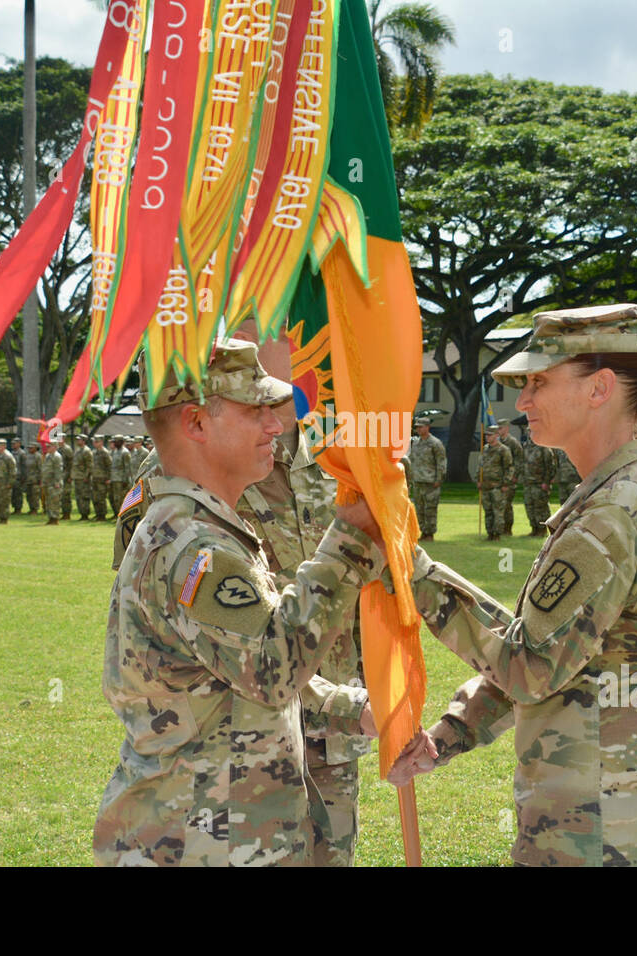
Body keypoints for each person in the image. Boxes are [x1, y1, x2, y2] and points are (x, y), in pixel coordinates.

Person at [388, 305, 637, 866]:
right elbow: (562, 652)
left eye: (538, 382)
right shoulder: (629, 495)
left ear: (599, 387)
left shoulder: (613, 517)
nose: (524, 400)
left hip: (618, 831)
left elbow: (530, 665)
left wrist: (412, 573)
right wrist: (453, 733)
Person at [94, 339, 382, 867]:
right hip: (200, 838)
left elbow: (240, 667)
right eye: (257, 411)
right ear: (197, 423)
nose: (276, 426)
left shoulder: (207, 526)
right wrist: (350, 544)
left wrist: (351, 710)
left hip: (223, 827)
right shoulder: (194, 546)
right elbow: (272, 668)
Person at [405, 416, 446, 541]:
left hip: (430, 482)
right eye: (417, 427)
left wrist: (439, 479)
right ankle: (423, 532)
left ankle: (430, 534)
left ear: (428, 427)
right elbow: (412, 460)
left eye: (420, 427)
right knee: (419, 509)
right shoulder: (416, 443)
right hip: (418, 481)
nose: (418, 429)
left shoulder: (435, 443)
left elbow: (441, 462)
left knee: (430, 509)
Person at [477, 425, 511, 541]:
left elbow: (509, 468)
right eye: (486, 435)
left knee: (498, 511)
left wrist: (506, 483)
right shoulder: (484, 449)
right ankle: (489, 533)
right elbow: (480, 466)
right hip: (485, 485)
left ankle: (497, 534)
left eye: (490, 435)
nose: (487, 437)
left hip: (498, 486)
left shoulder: (503, 450)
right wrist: (478, 480)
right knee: (488, 510)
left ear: (496, 435)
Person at [520, 427, 556, 535]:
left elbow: (550, 466)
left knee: (541, 507)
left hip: (539, 483)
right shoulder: (526, 447)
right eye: (529, 432)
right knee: (529, 506)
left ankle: (542, 529)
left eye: (532, 431)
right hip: (528, 483)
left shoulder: (544, 447)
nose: (530, 434)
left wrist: (546, 482)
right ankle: (534, 528)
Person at [497, 419, 523, 535]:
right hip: (498, 478)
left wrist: (514, 476)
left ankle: (508, 529)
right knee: (498, 504)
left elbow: (519, 460)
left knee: (507, 505)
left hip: (509, 478)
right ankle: (499, 528)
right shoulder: (497, 442)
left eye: (500, 428)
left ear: (506, 428)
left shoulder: (513, 442)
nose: (498, 430)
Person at [0, 437, 16, 524]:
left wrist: (10, 483)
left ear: (3, 446)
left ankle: (4, 519)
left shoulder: (8, 456)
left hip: (5, 483)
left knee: (4, 501)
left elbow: (13, 471)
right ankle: (0, 518)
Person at [41, 438, 64, 525]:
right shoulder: (48, 456)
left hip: (54, 483)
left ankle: (55, 518)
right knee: (49, 501)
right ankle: (50, 517)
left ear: (54, 447)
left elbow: (58, 470)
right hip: (47, 482)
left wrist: (57, 482)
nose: (47, 448)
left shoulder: (57, 456)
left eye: (49, 446)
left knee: (54, 501)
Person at [73, 435, 93, 520]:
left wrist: (86, 476)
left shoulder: (87, 451)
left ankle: (85, 514)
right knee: (78, 496)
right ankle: (82, 513)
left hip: (83, 478)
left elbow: (89, 465)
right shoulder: (78, 451)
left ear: (84, 441)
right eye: (77, 440)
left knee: (84, 496)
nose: (78, 441)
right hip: (77, 477)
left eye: (79, 440)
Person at [91, 435, 112, 521]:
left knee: (101, 497)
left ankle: (102, 515)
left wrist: (108, 478)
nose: (94, 443)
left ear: (101, 442)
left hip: (102, 478)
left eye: (96, 442)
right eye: (94, 442)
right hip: (95, 478)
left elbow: (109, 466)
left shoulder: (105, 452)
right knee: (95, 497)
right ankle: (98, 514)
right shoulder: (94, 452)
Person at [109, 436, 129, 519]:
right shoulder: (114, 451)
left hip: (121, 479)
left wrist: (126, 480)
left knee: (120, 499)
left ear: (120, 442)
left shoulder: (125, 452)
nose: (114, 443)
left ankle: (122, 516)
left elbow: (127, 468)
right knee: (115, 498)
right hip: (114, 478)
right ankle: (117, 515)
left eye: (116, 441)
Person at [23, 437, 41, 515]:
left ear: (36, 448)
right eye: (29, 448)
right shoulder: (27, 456)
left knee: (35, 495)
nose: (29, 449)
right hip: (28, 478)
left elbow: (40, 468)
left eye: (31, 448)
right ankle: (31, 508)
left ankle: (35, 509)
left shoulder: (38, 456)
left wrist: (39, 479)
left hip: (35, 479)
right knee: (29, 495)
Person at [9, 437, 25, 514]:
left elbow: (24, 466)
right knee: (13, 494)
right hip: (12, 476)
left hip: (19, 477)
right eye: (12, 444)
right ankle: (15, 508)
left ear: (19, 444)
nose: (13, 445)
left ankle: (18, 509)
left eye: (14, 443)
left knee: (18, 493)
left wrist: (23, 477)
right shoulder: (11, 453)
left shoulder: (22, 453)